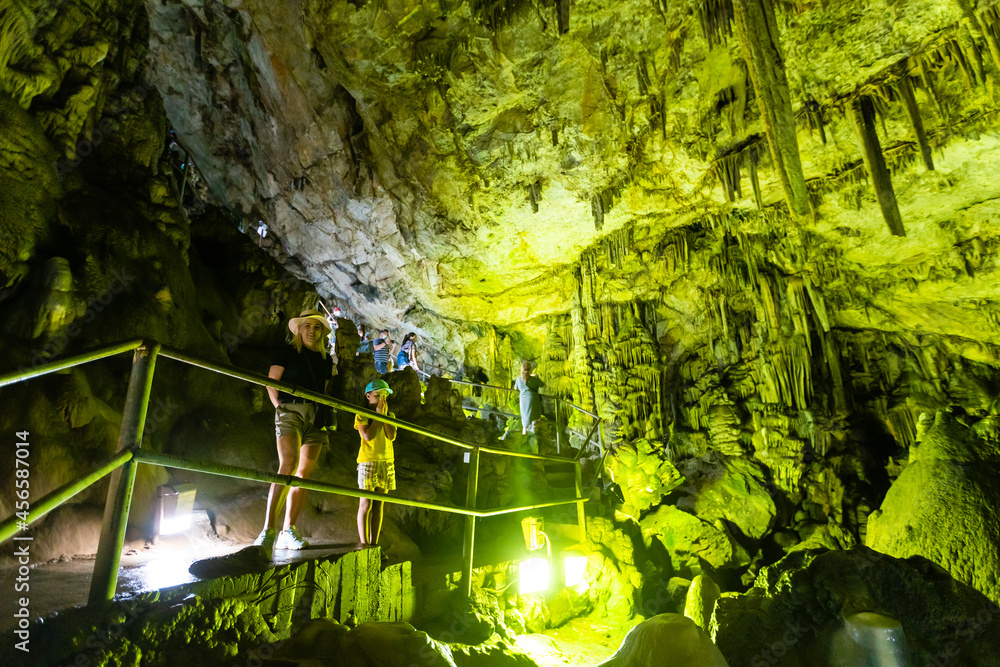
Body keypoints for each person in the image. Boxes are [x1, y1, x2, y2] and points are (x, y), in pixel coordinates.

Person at [255, 309, 334, 556]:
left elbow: (324, 389)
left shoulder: (326, 359)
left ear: (322, 332)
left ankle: (288, 530)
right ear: (298, 329)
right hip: (291, 410)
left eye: (317, 327)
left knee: (304, 475)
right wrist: (280, 407)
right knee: (288, 465)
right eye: (307, 326)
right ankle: (267, 530)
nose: (312, 330)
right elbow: (272, 381)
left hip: (316, 415)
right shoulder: (288, 351)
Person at [354, 379, 397, 547]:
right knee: (365, 504)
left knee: (379, 505)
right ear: (368, 396)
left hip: (386, 462)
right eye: (377, 395)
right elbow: (368, 436)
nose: (381, 400)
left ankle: (374, 543)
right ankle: (364, 544)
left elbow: (391, 435)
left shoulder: (390, 416)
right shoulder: (362, 414)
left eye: (384, 396)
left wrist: (384, 416)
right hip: (368, 460)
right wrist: (378, 416)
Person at [515, 360, 545, 434]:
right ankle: (535, 437)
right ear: (530, 369)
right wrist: (535, 377)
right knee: (535, 419)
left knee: (525, 420)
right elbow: (544, 385)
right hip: (533, 399)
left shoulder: (519, 379)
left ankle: (524, 437)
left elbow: (516, 388)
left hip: (523, 399)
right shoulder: (534, 379)